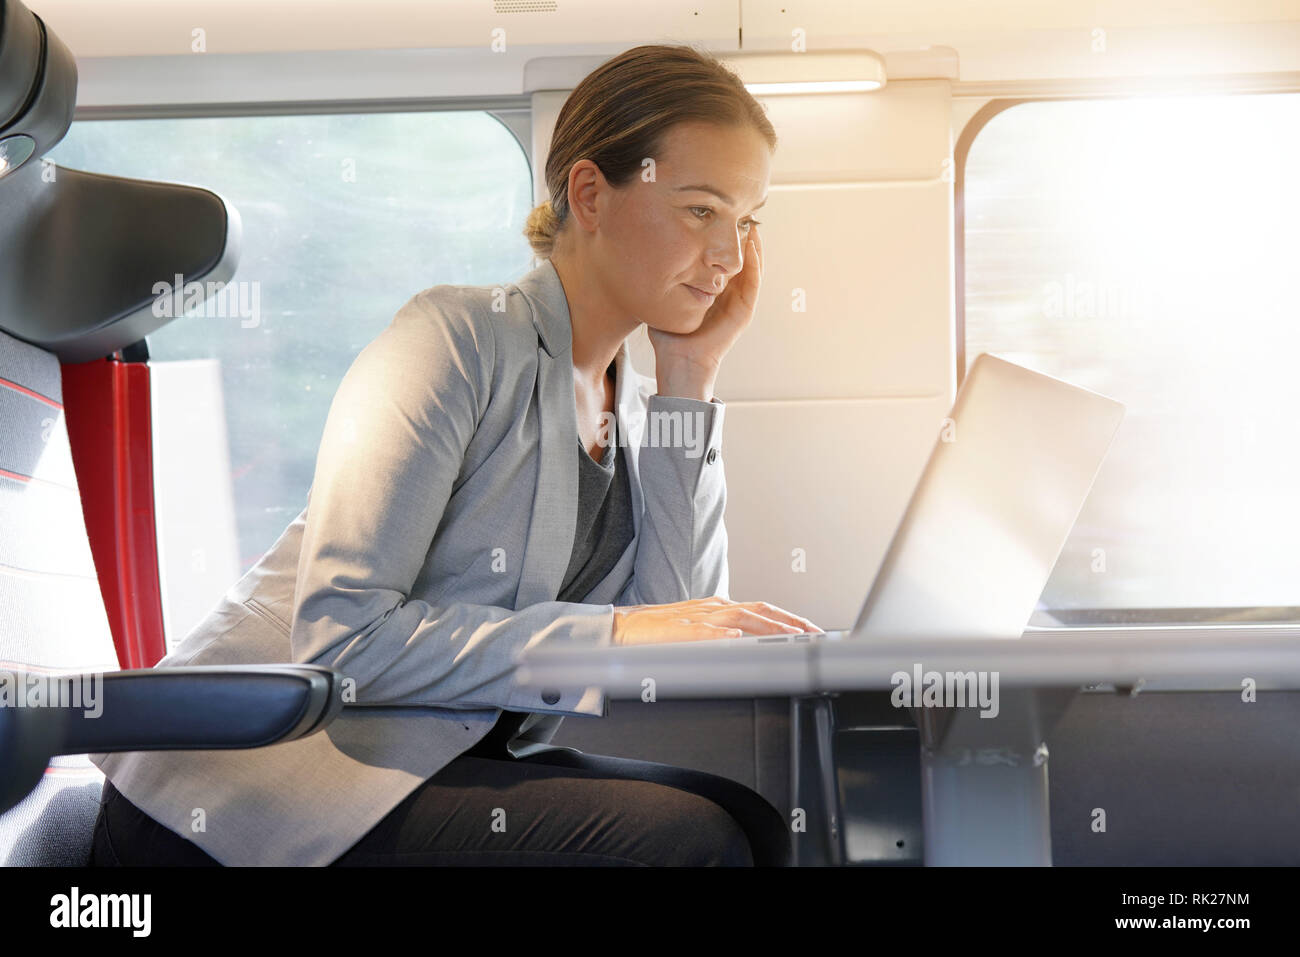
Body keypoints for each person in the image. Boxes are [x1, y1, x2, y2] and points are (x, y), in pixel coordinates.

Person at [89, 42, 821, 868]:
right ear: (591, 194)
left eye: (747, 221)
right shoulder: (454, 340)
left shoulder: (644, 411)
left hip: (430, 771)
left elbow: (676, 637)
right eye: (701, 210)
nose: (729, 257)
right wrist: (611, 634)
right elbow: (342, 639)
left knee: (757, 820)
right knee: (694, 841)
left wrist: (691, 373)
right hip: (241, 797)